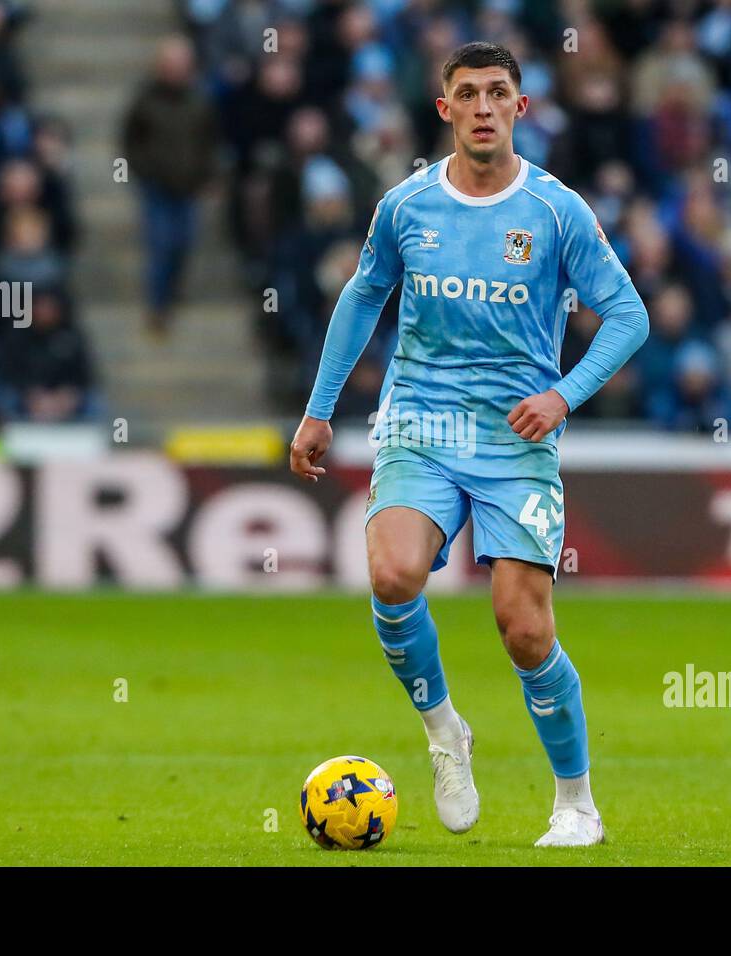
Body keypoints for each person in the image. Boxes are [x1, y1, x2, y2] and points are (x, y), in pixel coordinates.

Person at [288, 42, 650, 847]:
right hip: (420, 419)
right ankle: (444, 731)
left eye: (497, 93)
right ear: (443, 109)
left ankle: (575, 803)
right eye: (467, 94)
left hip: (513, 439)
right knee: (391, 573)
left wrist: (562, 396)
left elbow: (629, 316)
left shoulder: (557, 211)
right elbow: (363, 295)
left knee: (523, 627)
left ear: (521, 109)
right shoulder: (406, 205)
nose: (483, 107)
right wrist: (319, 409)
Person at [121, 35, 215, 336]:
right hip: (157, 186)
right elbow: (130, 140)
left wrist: (206, 175)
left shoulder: (200, 99)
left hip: (188, 186)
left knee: (184, 243)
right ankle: (158, 304)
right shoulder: (145, 99)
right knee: (161, 244)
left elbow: (210, 141)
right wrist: (143, 171)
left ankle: (172, 292)